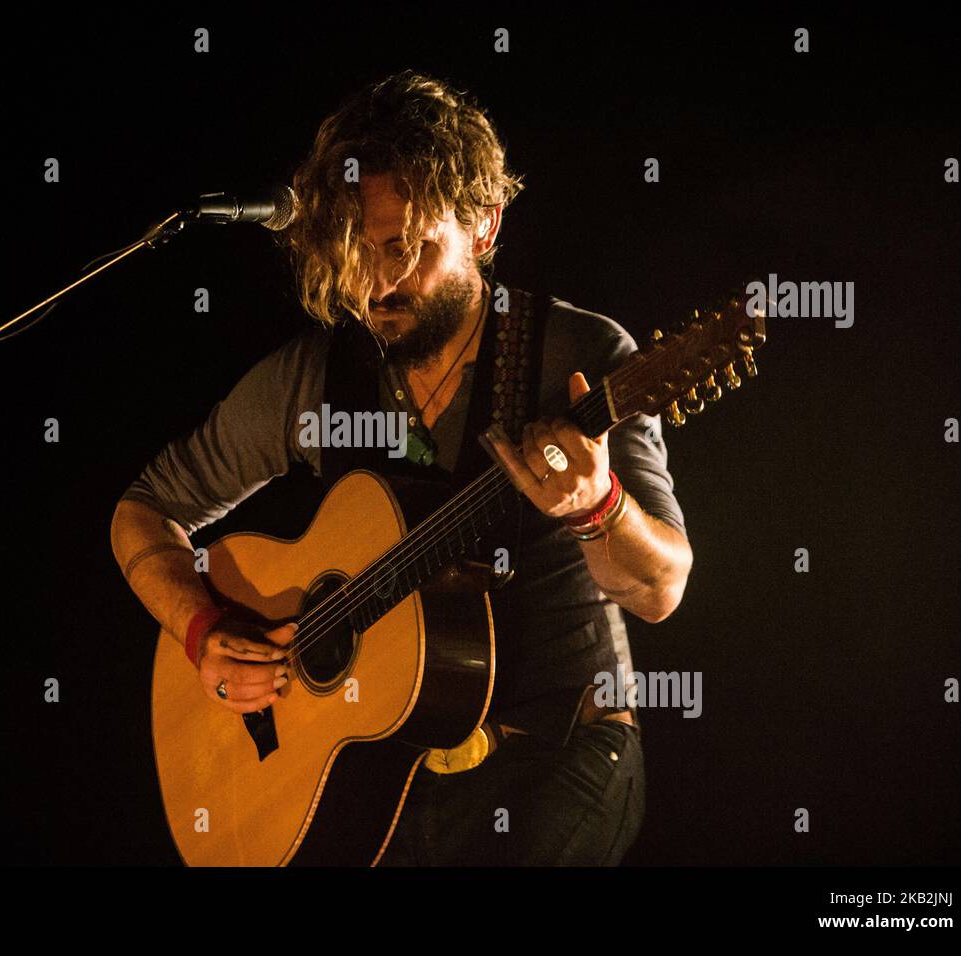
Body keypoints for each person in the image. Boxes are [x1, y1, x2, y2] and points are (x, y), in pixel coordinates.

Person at [110, 70, 692, 866]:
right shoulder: (314, 378)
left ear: (483, 227)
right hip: (385, 773)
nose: (377, 283)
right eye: (354, 254)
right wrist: (202, 630)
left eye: (405, 248)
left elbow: (660, 589)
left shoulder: (577, 356)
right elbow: (143, 508)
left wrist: (599, 506)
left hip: (556, 753)